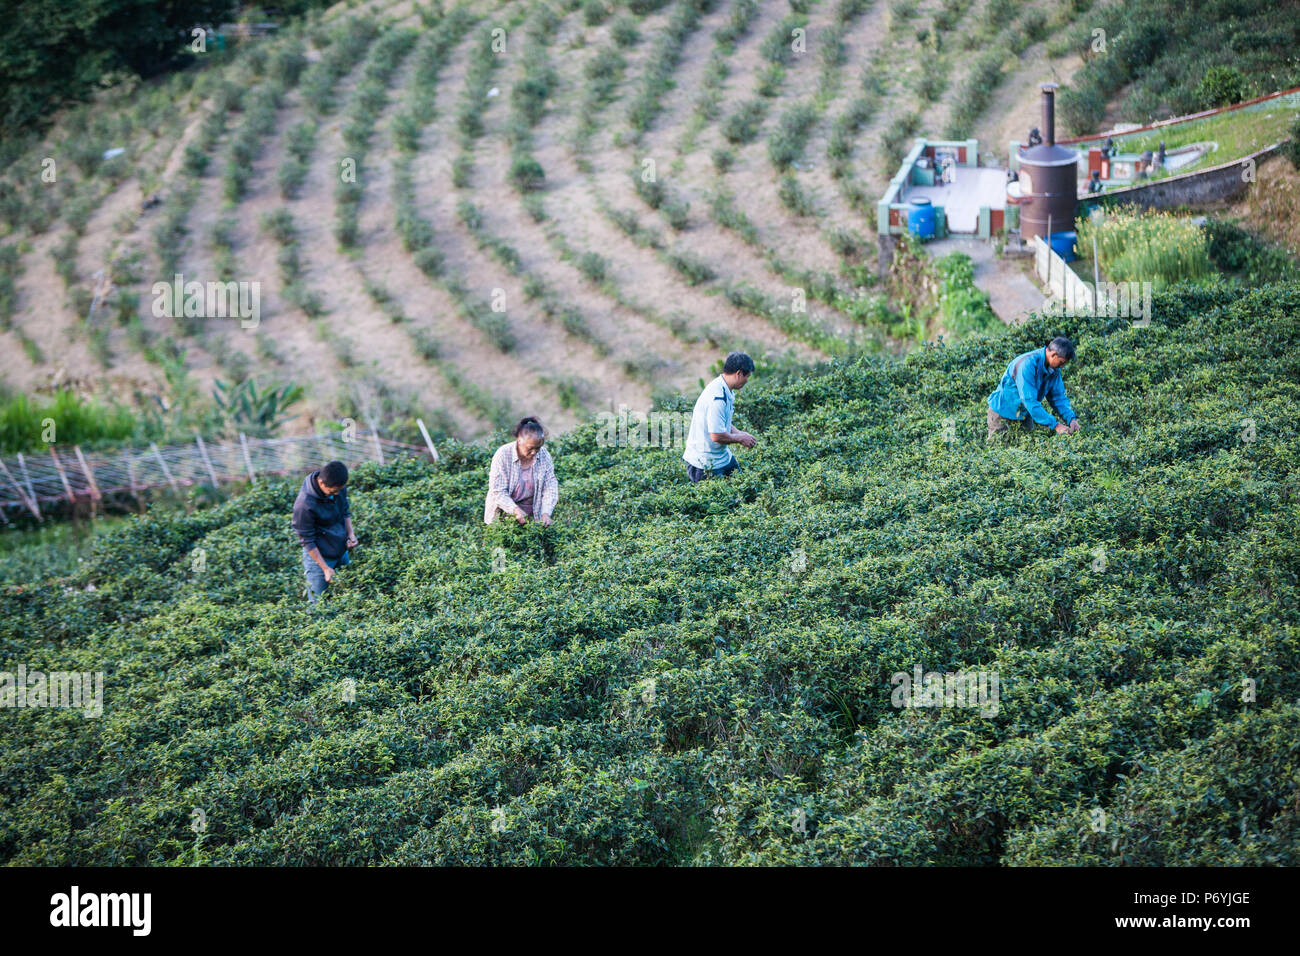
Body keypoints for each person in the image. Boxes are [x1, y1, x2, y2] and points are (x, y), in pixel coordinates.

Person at [987, 337, 1081, 440]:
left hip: (1024, 414)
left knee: (1027, 448)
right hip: (1002, 413)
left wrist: (1071, 419)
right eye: (1061, 362)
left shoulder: (1054, 370)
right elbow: (1029, 401)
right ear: (1053, 355)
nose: (1062, 367)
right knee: (997, 447)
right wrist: (1056, 425)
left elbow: (1058, 398)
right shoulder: (1027, 365)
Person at [683, 351, 756, 482]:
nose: (747, 380)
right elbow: (716, 435)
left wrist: (739, 433)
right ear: (739, 373)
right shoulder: (717, 397)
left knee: (742, 487)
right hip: (704, 462)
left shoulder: (725, 388)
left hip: (722, 457)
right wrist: (740, 438)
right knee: (720, 501)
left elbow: (720, 420)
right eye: (747, 376)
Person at [292, 459, 357, 603]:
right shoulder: (304, 505)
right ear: (321, 483)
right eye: (333, 491)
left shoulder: (337, 486)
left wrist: (350, 534)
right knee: (318, 605)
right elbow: (307, 540)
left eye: (339, 490)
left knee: (347, 594)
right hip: (319, 557)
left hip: (340, 548)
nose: (337, 493)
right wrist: (325, 568)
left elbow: (344, 510)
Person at [484, 416, 558, 526]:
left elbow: (550, 486)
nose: (534, 452)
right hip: (502, 516)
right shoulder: (503, 454)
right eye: (530, 448)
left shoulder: (544, 455)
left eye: (537, 448)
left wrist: (546, 513)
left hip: (532, 517)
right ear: (519, 440)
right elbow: (498, 490)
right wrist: (515, 511)